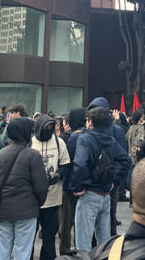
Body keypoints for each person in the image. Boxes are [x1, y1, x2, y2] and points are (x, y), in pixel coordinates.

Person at [70, 107, 131, 252]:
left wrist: (76, 187)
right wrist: (114, 182)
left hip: (89, 193)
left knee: (83, 244)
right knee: (104, 243)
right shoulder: (110, 140)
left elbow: (79, 165)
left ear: (90, 122)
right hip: (105, 194)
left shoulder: (84, 139)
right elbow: (126, 160)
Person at [0, 117, 49, 260]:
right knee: (22, 250)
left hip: (4, 209)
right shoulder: (33, 155)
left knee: (3, 248)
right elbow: (41, 187)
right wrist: (37, 203)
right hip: (26, 210)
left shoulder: (0, 154)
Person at [31, 114, 70, 260]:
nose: (48, 130)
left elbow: (66, 164)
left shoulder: (59, 143)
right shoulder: (30, 142)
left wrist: (59, 174)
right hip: (33, 199)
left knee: (49, 236)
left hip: (52, 198)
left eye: (51, 128)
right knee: (30, 235)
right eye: (45, 128)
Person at [59, 108, 86, 255]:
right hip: (86, 185)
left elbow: (68, 161)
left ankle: (65, 253)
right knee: (82, 224)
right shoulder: (89, 134)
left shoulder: (74, 137)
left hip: (70, 185)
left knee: (66, 224)